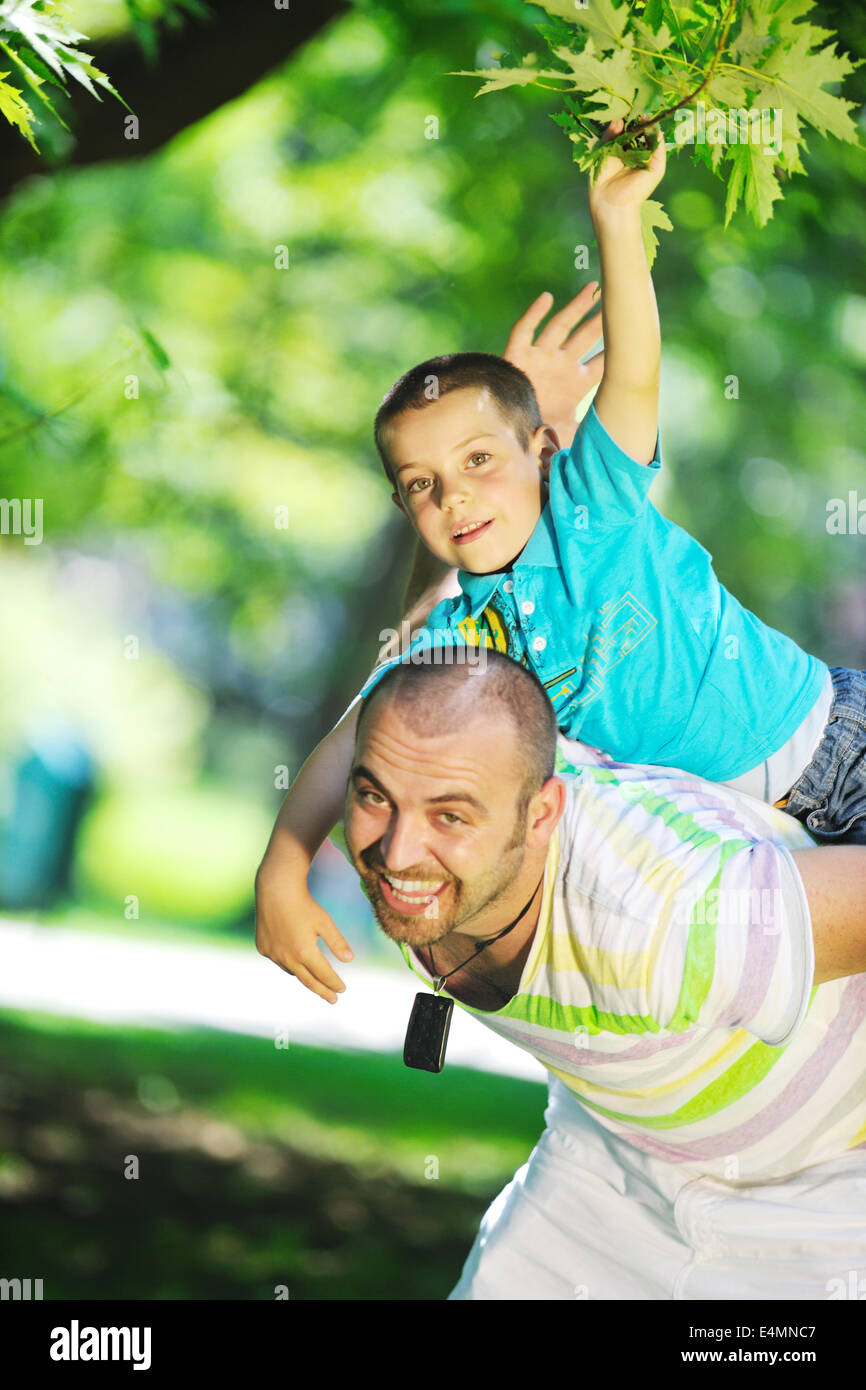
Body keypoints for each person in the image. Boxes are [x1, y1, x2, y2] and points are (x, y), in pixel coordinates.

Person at [253, 116, 865, 1007]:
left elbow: (638, 379)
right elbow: (354, 737)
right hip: (750, 842)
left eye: (478, 463)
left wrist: (617, 218)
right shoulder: (466, 635)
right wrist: (283, 863)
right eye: (421, 485)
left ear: (542, 450)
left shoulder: (592, 508)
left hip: (837, 748)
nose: (454, 498)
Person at [339, 652, 866, 1300]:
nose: (395, 853)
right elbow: (423, 623)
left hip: (833, 1194)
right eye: (372, 796)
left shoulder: (670, 919)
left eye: (450, 817)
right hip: (612, 1160)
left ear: (540, 814)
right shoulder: (414, 770)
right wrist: (282, 863)